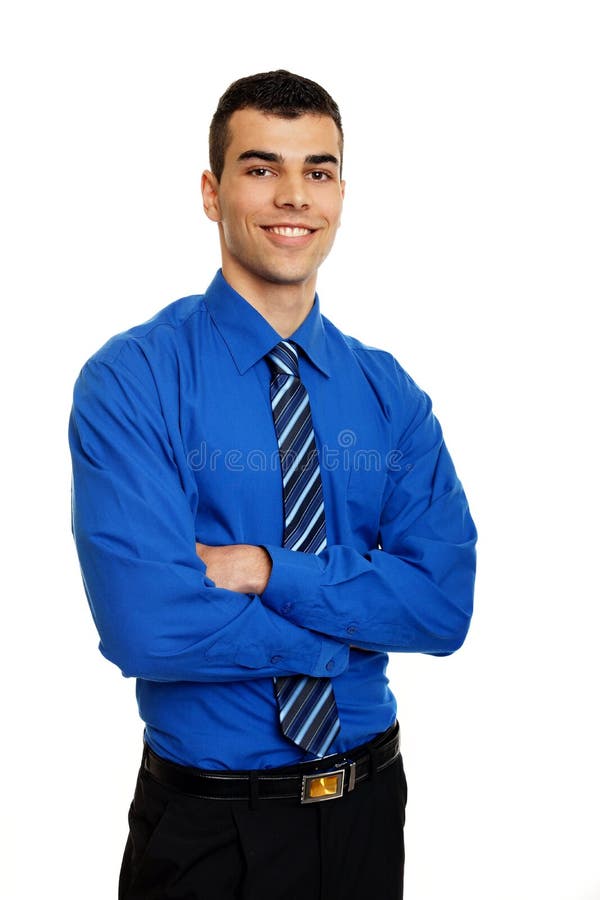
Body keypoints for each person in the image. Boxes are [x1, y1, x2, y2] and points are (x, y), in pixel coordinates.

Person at [69, 69, 477, 900]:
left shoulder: (387, 393)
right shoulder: (134, 380)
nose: (294, 196)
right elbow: (146, 625)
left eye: (317, 171)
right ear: (213, 193)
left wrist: (265, 570)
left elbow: (441, 608)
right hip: (209, 828)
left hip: (368, 809)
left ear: (340, 194)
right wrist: (347, 630)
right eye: (262, 168)